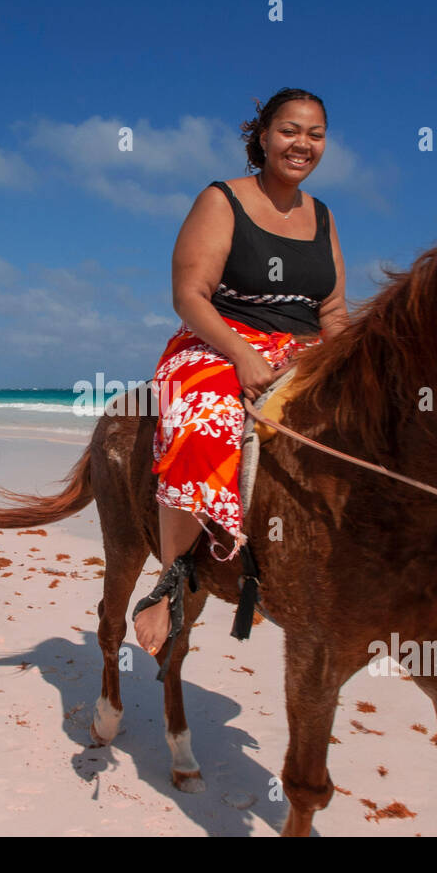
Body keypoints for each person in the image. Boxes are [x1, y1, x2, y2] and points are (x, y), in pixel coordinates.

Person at [134, 89, 351, 659]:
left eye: (315, 134)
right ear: (262, 136)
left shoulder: (323, 216)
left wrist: (338, 357)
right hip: (219, 341)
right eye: (289, 130)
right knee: (203, 423)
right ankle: (173, 575)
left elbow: (333, 312)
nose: (301, 144)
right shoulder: (222, 199)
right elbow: (189, 294)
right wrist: (242, 355)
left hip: (305, 350)